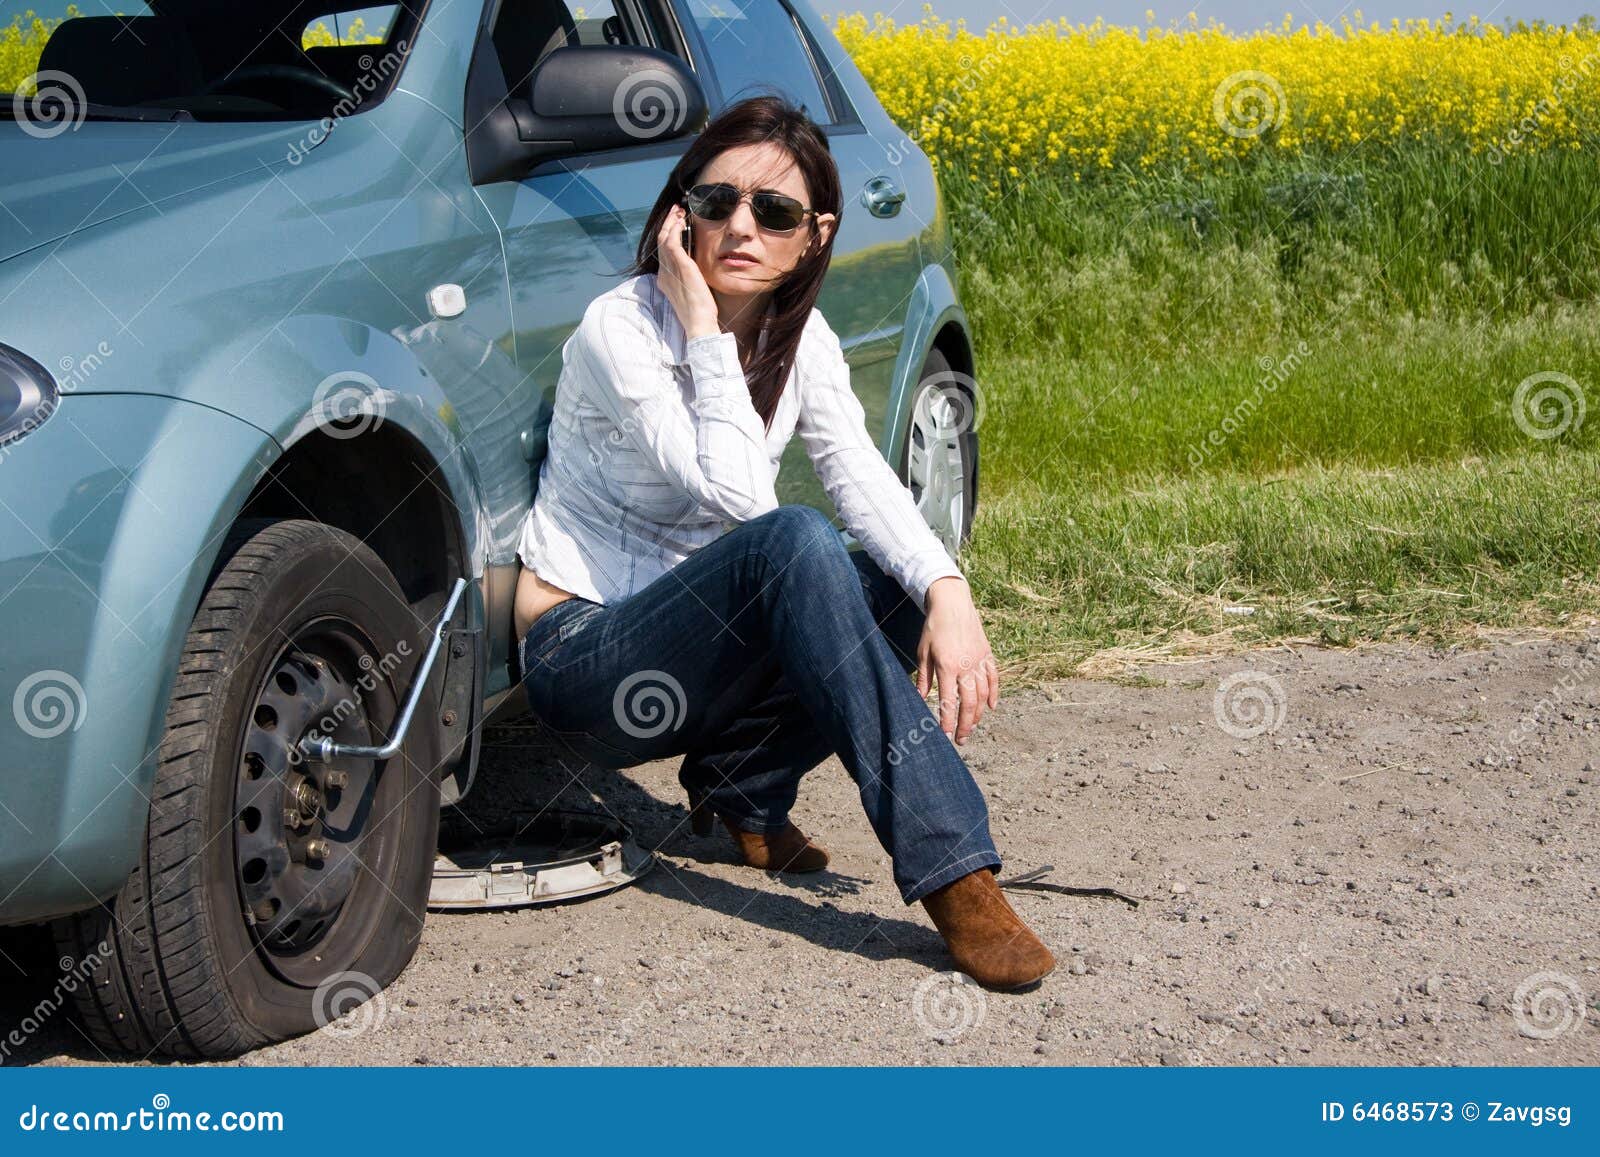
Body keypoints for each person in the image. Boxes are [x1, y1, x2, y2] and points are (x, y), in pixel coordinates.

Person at [512, 94, 1053, 990]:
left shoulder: (802, 339)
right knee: (795, 542)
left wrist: (946, 590)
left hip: (694, 666)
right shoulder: (625, 327)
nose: (741, 226)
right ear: (681, 209)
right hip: (586, 660)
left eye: (775, 212)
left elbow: (862, 478)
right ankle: (958, 870)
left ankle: (740, 790)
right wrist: (700, 327)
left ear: (815, 233)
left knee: (889, 577)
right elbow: (740, 500)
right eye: (717, 200)